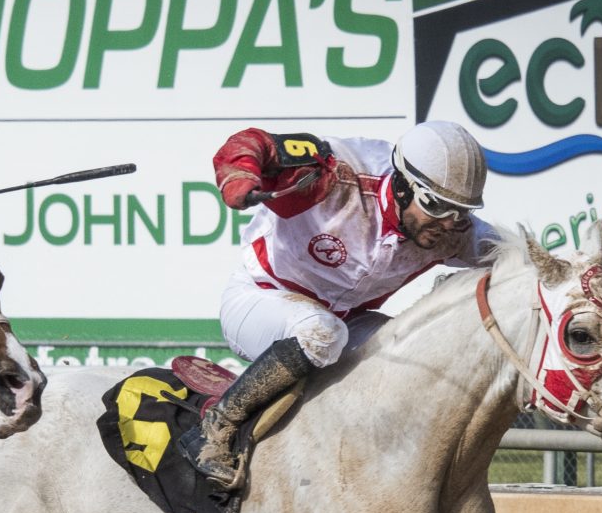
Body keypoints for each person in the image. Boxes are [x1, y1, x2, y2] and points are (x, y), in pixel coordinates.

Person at [184, 119, 500, 489]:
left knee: (406, 347)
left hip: (343, 321)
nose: (448, 224)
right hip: (259, 299)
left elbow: (523, 266)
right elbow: (254, 142)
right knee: (323, 332)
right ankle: (215, 431)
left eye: (459, 211)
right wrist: (239, 172)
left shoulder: (456, 232)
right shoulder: (334, 178)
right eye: (436, 206)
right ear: (402, 185)